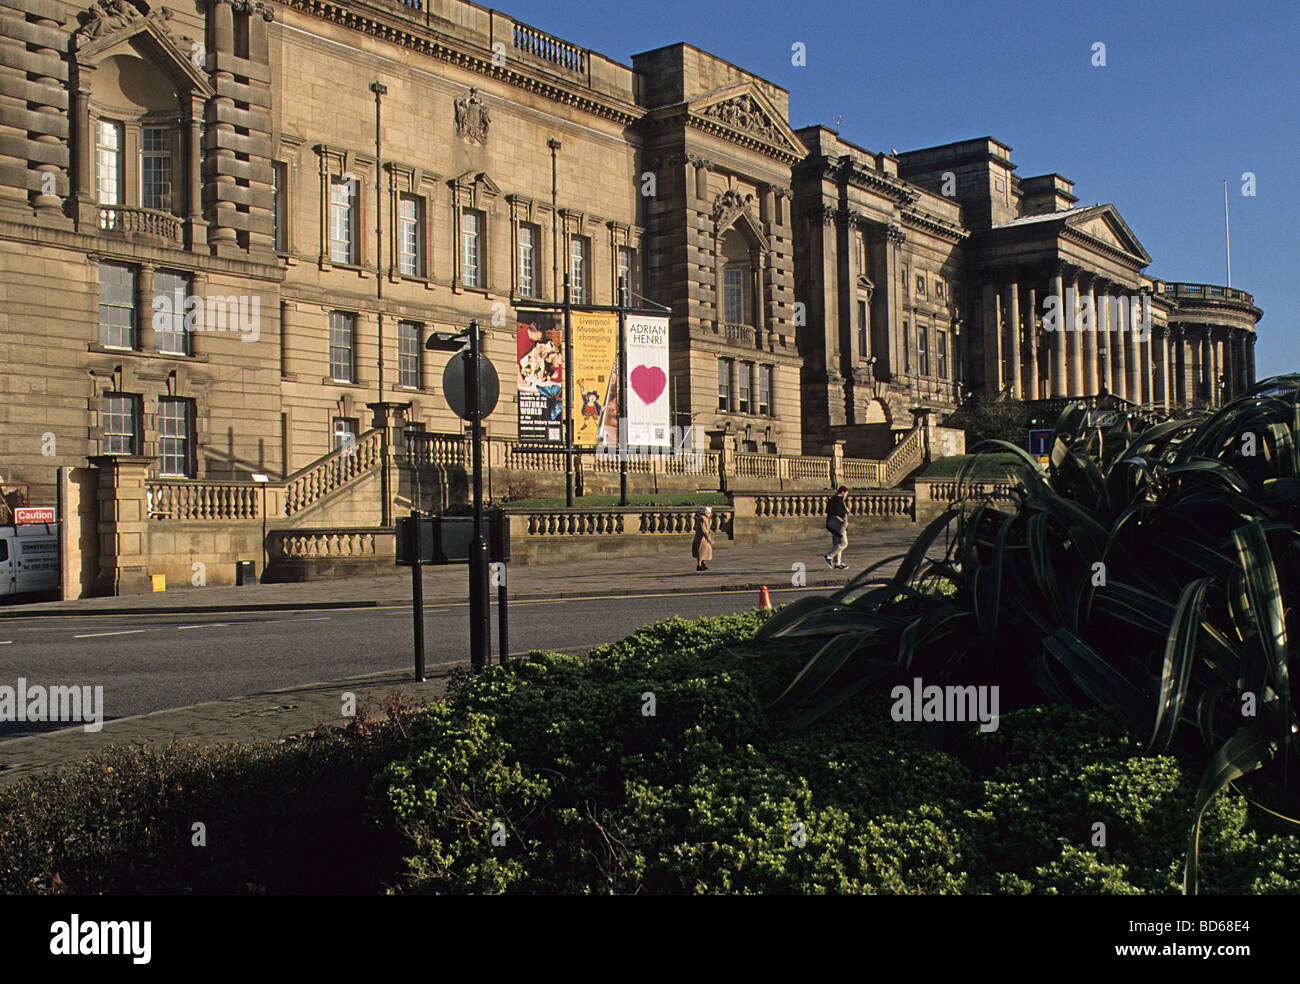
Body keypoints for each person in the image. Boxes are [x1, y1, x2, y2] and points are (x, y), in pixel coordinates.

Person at [825, 486, 849, 570]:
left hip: (832, 525)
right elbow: (840, 512)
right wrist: (846, 510)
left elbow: (827, 510)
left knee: (837, 543)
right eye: (846, 493)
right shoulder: (839, 500)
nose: (846, 495)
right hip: (839, 525)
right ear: (842, 492)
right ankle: (829, 555)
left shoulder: (832, 499)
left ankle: (837, 563)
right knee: (843, 543)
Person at [692, 506, 713, 572]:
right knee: (701, 551)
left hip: (703, 537)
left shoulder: (704, 518)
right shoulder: (703, 518)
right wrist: (708, 538)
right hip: (702, 537)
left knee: (705, 551)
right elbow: (704, 529)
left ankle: (703, 563)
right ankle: (699, 564)